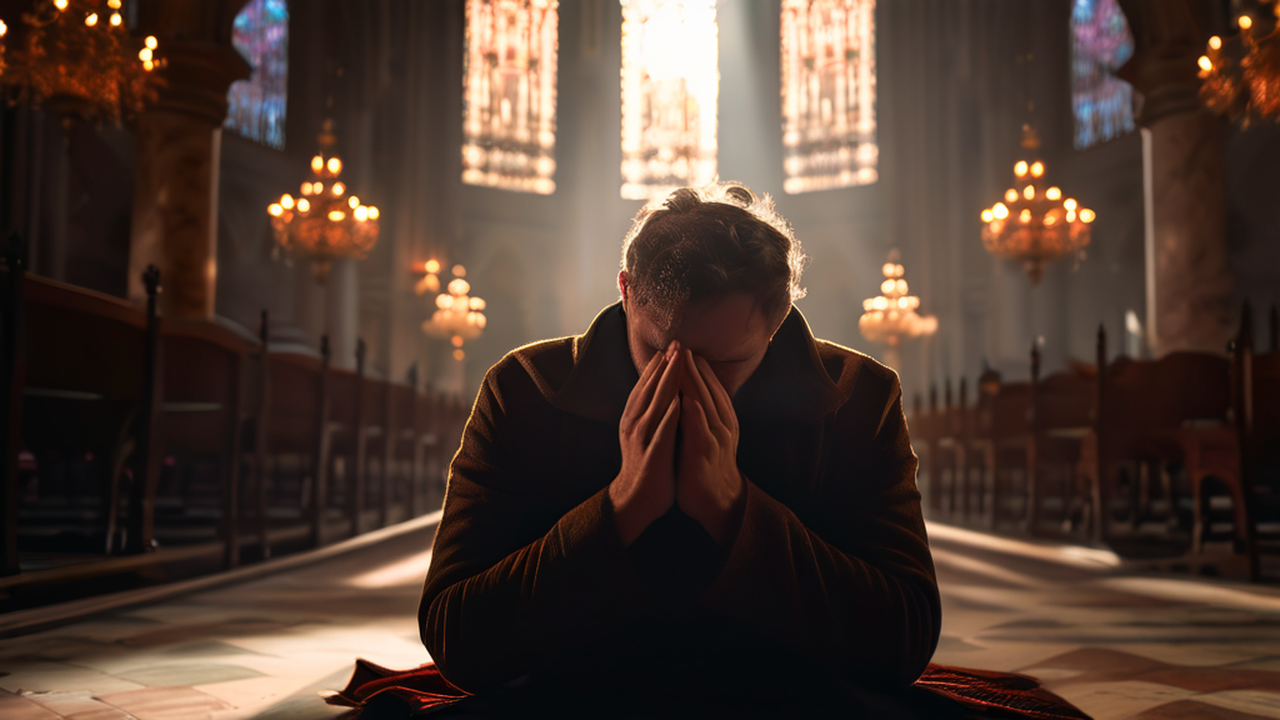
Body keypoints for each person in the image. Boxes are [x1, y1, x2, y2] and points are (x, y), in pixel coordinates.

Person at [417, 181, 941, 718]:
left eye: (722, 364)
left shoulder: (860, 395)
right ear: (625, 291)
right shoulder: (523, 388)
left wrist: (732, 509)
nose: (684, 380)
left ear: (777, 318)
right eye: (658, 350)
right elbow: (456, 637)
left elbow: (904, 638)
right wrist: (622, 507)